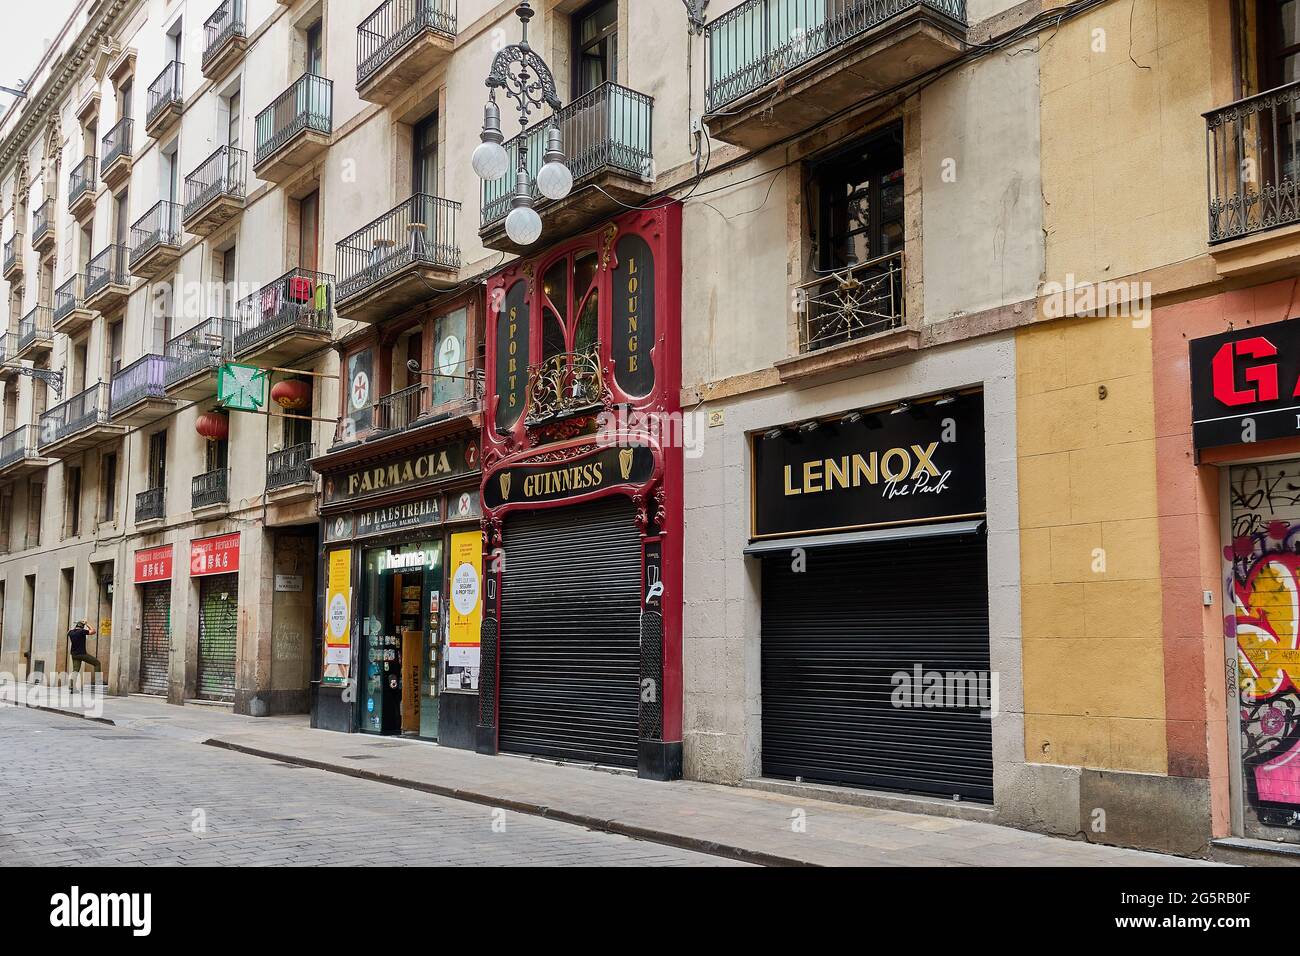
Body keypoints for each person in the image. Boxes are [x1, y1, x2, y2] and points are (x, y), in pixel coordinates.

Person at [66, 620, 100, 689]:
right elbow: (93, 631)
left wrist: (77, 625)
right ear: (82, 627)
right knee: (97, 663)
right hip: (82, 654)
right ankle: (98, 680)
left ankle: (71, 685)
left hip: (74, 654)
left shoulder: (71, 632)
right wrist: (87, 624)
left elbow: (69, 631)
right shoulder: (82, 631)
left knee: (75, 670)